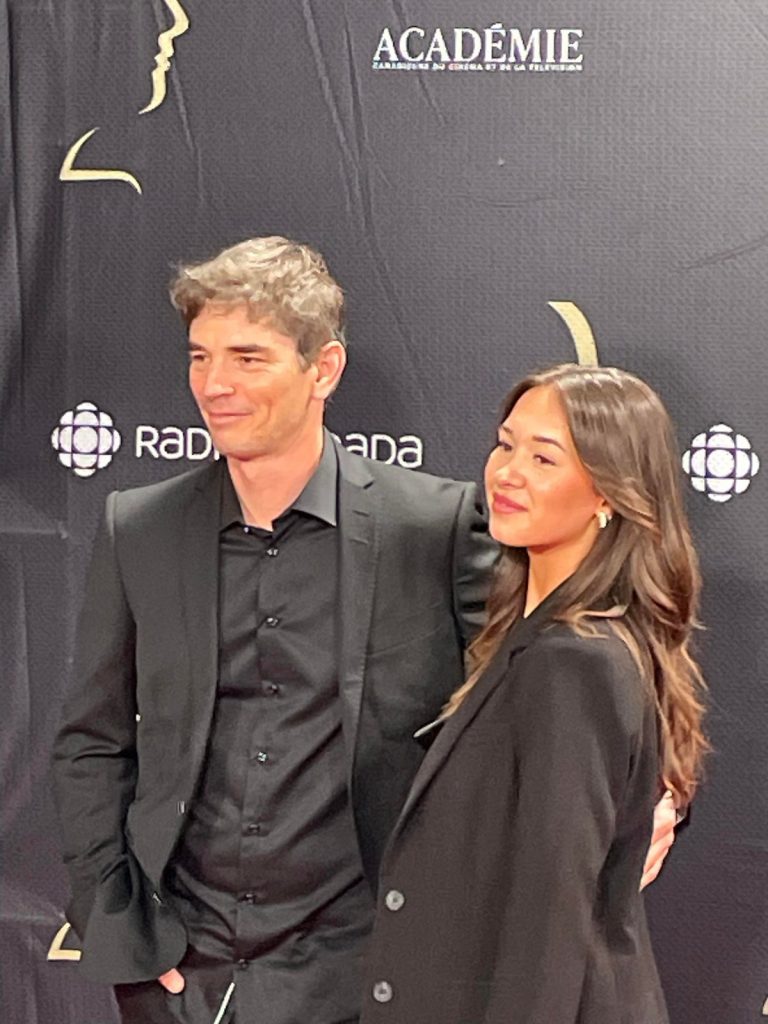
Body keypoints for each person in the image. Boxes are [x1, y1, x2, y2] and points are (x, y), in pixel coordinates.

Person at [52, 240, 677, 1024]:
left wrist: (658, 796)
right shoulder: (138, 527)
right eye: (201, 356)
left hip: (371, 977)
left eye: (248, 358)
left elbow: (558, 686)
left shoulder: (436, 525)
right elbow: (91, 743)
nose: (215, 385)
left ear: (324, 370)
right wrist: (118, 930)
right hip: (183, 978)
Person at [360, 364, 708, 1024]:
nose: (507, 472)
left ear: (609, 492)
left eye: (544, 457)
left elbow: (550, 922)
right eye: (505, 444)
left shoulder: (574, 663)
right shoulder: (542, 637)